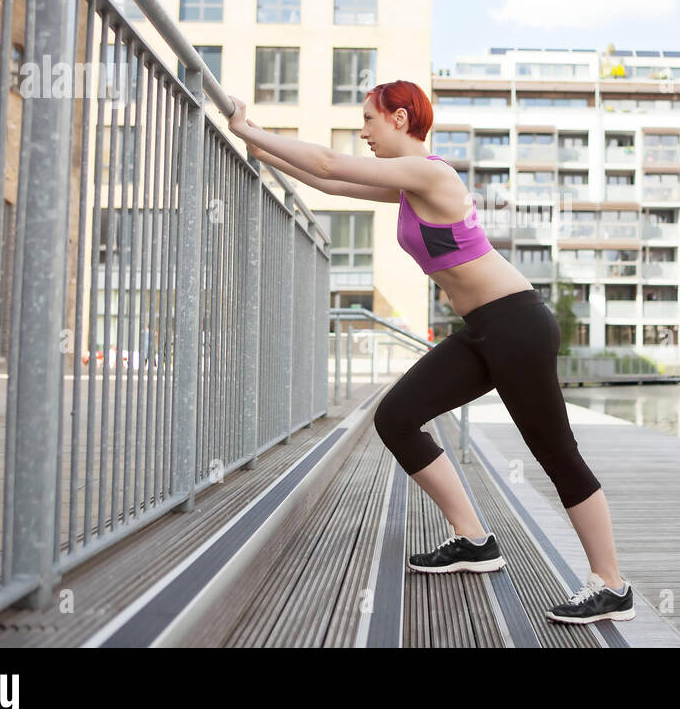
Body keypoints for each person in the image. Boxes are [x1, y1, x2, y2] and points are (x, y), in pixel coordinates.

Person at [226, 80, 633, 625]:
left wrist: (250, 130)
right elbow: (333, 184)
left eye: (368, 120)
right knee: (397, 416)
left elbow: (326, 163)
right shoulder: (406, 185)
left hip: (516, 324)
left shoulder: (430, 173)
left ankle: (612, 585)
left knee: (555, 453)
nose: (363, 133)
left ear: (398, 118)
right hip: (484, 328)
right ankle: (473, 539)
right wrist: (257, 146)